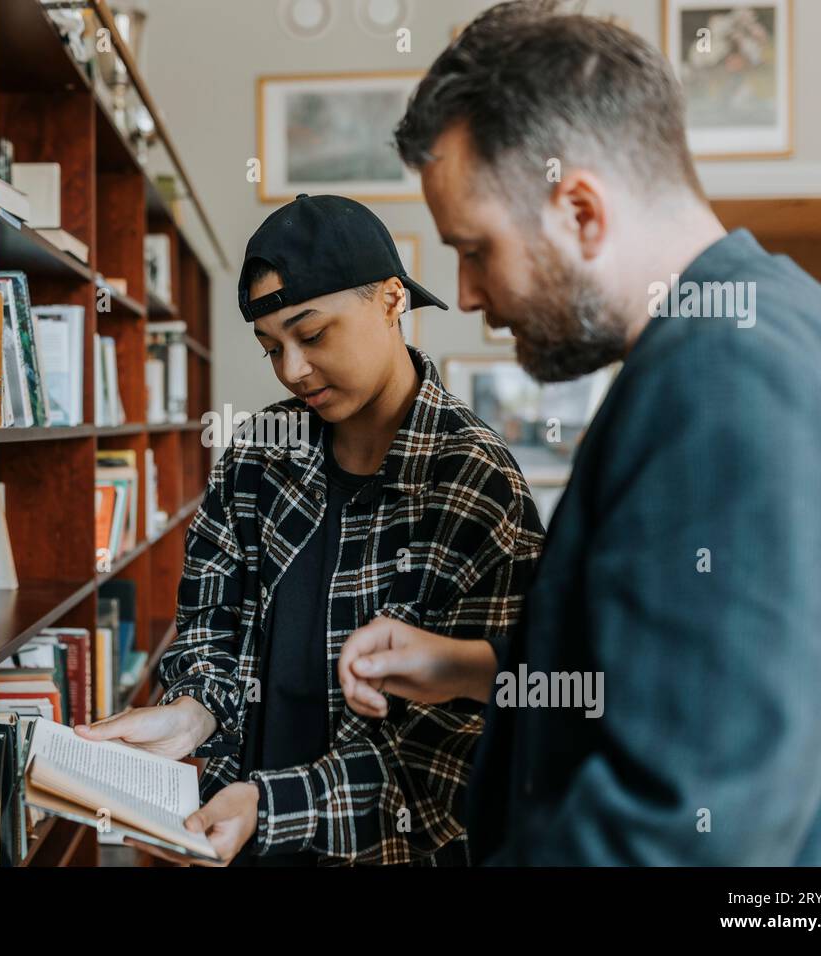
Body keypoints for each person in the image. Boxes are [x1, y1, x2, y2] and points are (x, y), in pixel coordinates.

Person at [339, 0, 821, 865]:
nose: (467, 293)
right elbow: (686, 676)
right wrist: (467, 667)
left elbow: (688, 824)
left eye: (475, 248)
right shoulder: (774, 330)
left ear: (580, 211)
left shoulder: (730, 385)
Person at [76, 193, 544, 865]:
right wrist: (192, 713)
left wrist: (274, 808)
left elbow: (451, 765)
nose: (292, 370)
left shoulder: (476, 484)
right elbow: (211, 625)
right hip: (233, 845)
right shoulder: (258, 452)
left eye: (313, 334)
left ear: (391, 302)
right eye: (271, 348)